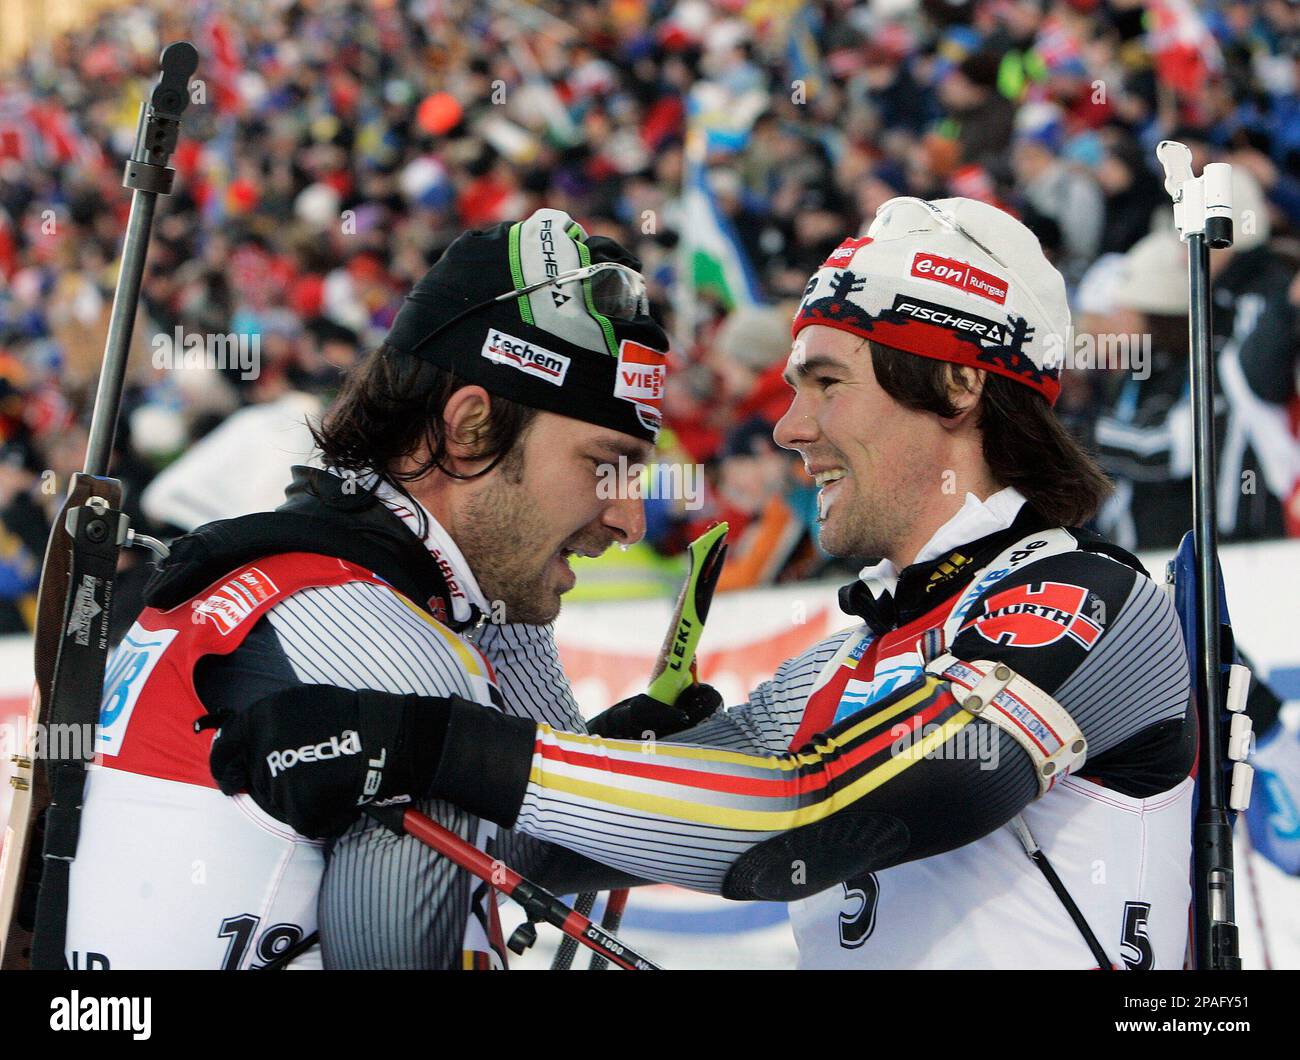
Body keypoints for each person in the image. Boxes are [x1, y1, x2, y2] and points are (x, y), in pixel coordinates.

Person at [219, 196, 1200, 969]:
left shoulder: (1090, 601)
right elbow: (545, 846)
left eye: (825, 381)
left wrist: (444, 742)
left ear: (955, 384)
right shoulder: (851, 662)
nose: (789, 428)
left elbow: (818, 812)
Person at [61, 208, 703, 969]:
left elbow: (538, 835)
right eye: (605, 463)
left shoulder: (396, 581)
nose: (630, 517)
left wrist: (632, 756)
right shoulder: (372, 627)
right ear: (469, 429)